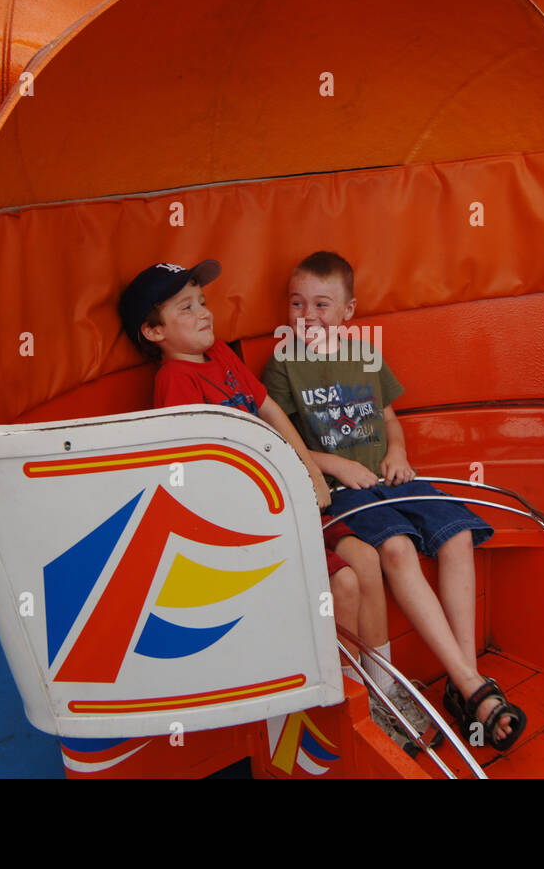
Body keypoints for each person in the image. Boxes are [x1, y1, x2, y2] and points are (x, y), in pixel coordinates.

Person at [117, 260, 422, 747]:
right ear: (154, 331)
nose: (204, 314)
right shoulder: (175, 385)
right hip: (249, 523)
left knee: (365, 558)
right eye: (186, 308)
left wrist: (309, 473)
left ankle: (386, 691)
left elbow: (271, 411)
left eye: (202, 302)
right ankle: (351, 705)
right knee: (343, 583)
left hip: (287, 497)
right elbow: (201, 477)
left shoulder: (218, 354)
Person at [262, 250, 528, 752]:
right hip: (342, 490)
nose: (307, 316)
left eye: (322, 304)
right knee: (399, 549)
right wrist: (337, 464)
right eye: (297, 304)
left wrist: (400, 454)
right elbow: (282, 443)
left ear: (348, 311)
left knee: (459, 533)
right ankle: (474, 690)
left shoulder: (364, 353)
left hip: (392, 479)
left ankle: (462, 677)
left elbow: (389, 420)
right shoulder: (281, 367)